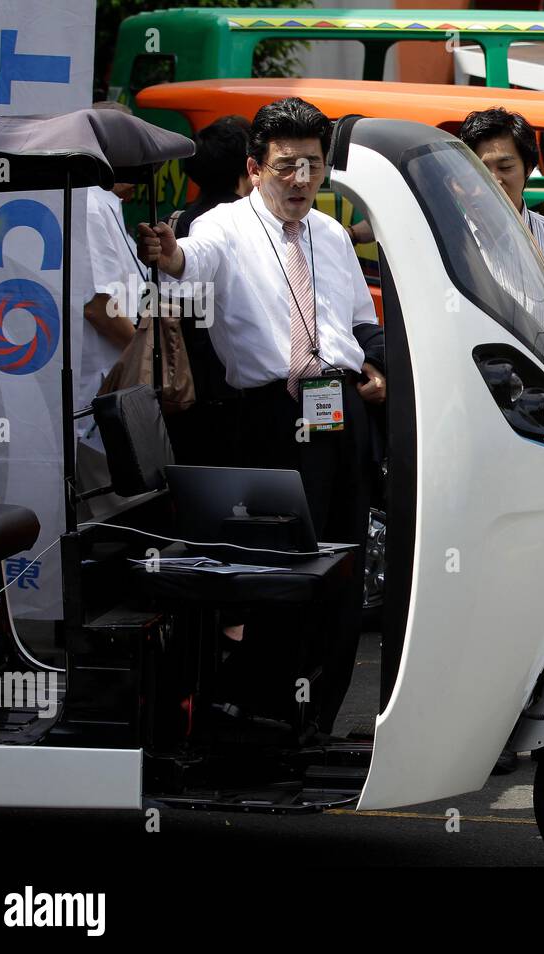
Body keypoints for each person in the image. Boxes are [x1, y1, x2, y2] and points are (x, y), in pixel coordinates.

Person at [137, 97, 386, 739]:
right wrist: (171, 259)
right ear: (254, 168)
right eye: (285, 167)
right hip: (275, 417)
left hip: (342, 414)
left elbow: (360, 322)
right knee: (281, 573)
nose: (301, 180)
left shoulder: (331, 234)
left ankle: (317, 716)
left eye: (313, 165)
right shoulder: (225, 226)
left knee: (344, 569)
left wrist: (376, 369)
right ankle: (261, 710)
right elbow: (193, 262)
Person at [347, 106, 544, 344]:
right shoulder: (437, 242)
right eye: (480, 170)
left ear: (528, 169)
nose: (493, 180)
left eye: (505, 167)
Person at [164, 115, 253, 464]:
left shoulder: (179, 220)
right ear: (248, 166)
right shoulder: (247, 222)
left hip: (185, 379)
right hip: (237, 383)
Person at [77, 101, 145, 519]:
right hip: (100, 389)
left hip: (114, 384)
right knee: (113, 517)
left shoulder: (105, 203)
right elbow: (98, 308)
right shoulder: (91, 203)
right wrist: (146, 356)